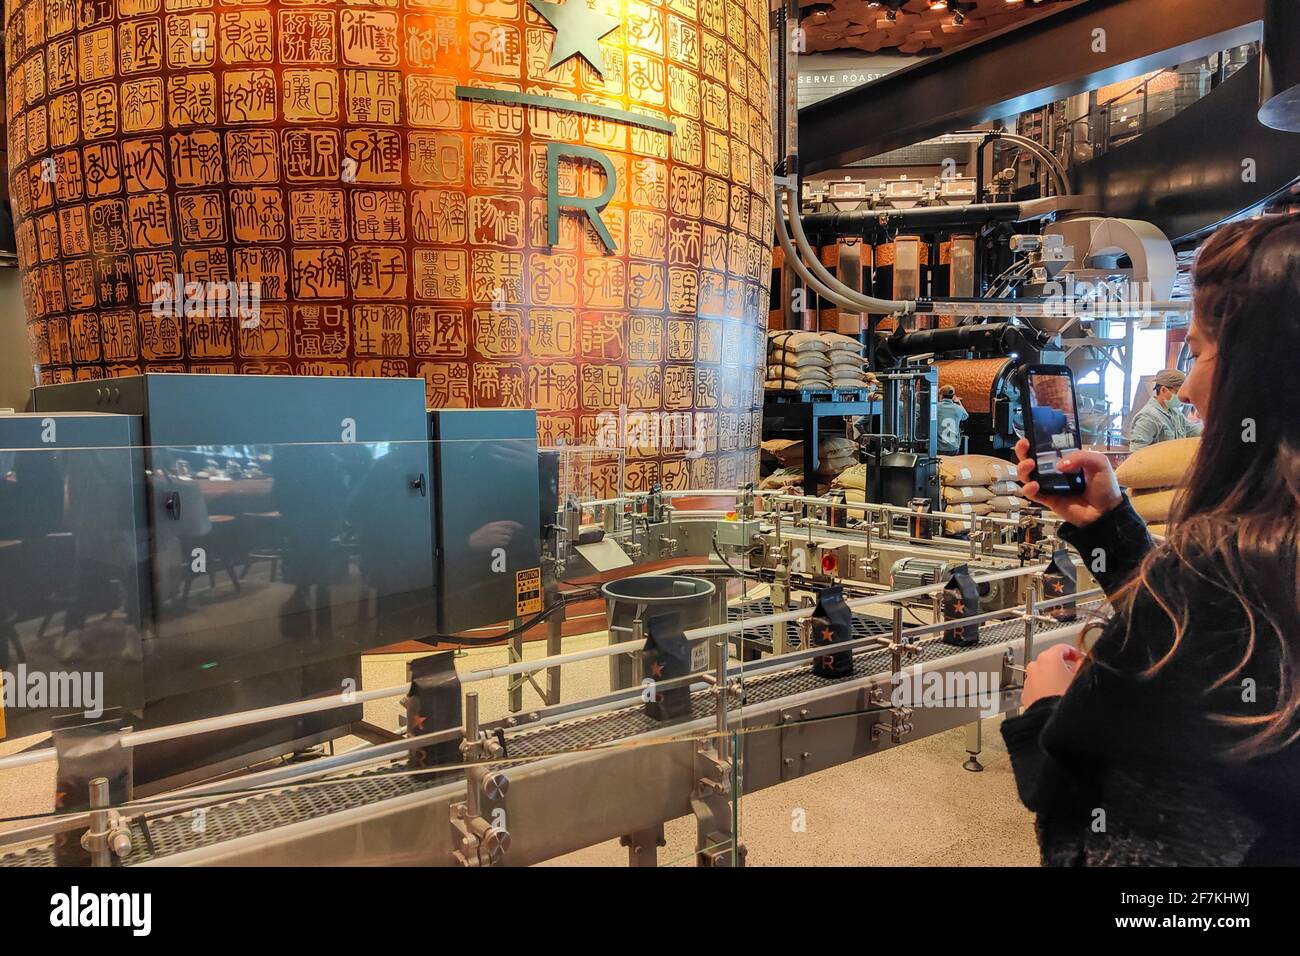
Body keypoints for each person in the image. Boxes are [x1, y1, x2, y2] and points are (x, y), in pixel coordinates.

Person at [1001, 215, 1300, 866]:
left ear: (1258, 370)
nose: (1187, 387)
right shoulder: (1264, 563)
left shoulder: (1223, 570)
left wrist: (1042, 708)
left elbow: (1091, 826)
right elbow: (1196, 631)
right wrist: (1109, 525)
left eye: (1198, 350)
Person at [1127, 368, 1202, 449]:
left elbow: (1192, 430)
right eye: (1177, 392)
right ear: (1163, 390)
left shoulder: (1175, 413)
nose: (1180, 397)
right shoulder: (1148, 417)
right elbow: (1137, 453)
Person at [935, 385, 968, 454]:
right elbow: (965, 416)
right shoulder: (958, 409)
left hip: (939, 447)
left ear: (941, 396)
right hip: (953, 447)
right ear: (953, 396)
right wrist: (959, 402)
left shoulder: (936, 407)